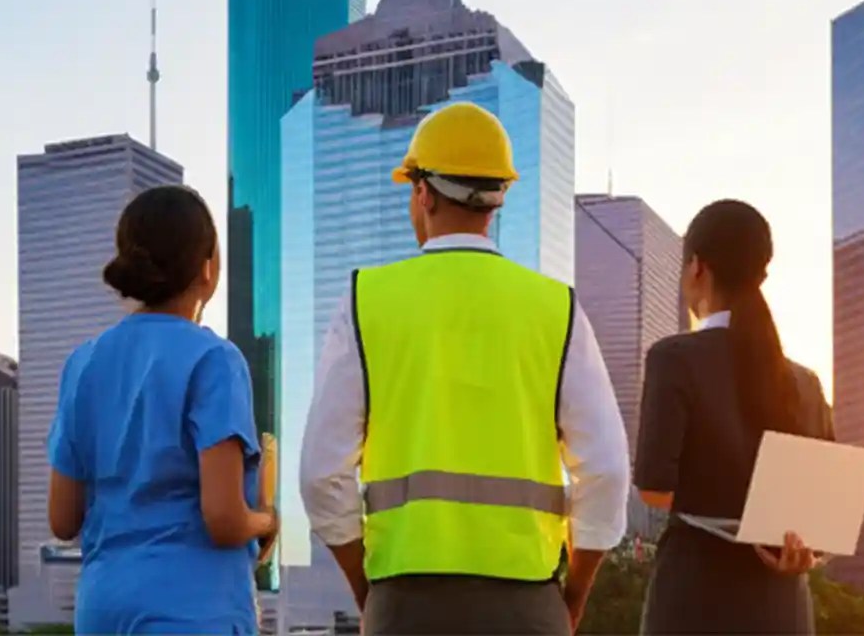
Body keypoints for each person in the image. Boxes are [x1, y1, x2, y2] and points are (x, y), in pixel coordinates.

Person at [300, 102, 630, 635]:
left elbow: (320, 474)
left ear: (423, 192)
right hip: (529, 606)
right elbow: (608, 470)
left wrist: (371, 591)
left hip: (404, 604)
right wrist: (571, 599)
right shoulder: (556, 308)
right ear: (497, 200)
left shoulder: (366, 301)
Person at [46, 185, 279, 635]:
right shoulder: (215, 360)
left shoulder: (83, 363)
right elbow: (225, 519)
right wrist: (268, 519)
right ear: (208, 268)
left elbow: (62, 520)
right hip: (193, 610)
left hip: (101, 609)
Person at [635, 199, 835, 635]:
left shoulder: (673, 358)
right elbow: (824, 515)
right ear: (760, 274)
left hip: (696, 596)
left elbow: (653, 487)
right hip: (782, 605)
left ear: (697, 268)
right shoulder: (806, 383)